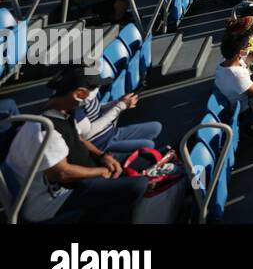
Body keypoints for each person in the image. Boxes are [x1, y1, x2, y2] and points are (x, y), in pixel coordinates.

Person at [2, 66, 149, 222]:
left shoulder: (62, 111)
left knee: (146, 158)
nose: (96, 92)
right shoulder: (45, 131)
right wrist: (101, 171)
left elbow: (78, 138)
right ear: (79, 94)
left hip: (80, 173)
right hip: (53, 201)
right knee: (138, 185)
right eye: (94, 88)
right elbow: (61, 174)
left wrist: (102, 155)